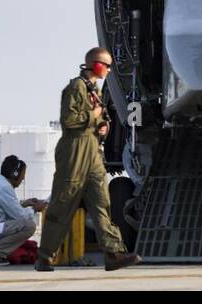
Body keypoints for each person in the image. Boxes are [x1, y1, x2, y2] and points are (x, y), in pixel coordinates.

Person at [36, 48, 141, 272]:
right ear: (94, 64)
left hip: (93, 149)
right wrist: (91, 117)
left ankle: (113, 253)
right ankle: (45, 256)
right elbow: (68, 120)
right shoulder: (77, 87)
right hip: (75, 148)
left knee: (101, 202)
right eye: (106, 65)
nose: (109, 69)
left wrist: (102, 125)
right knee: (63, 203)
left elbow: (97, 118)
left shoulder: (95, 90)